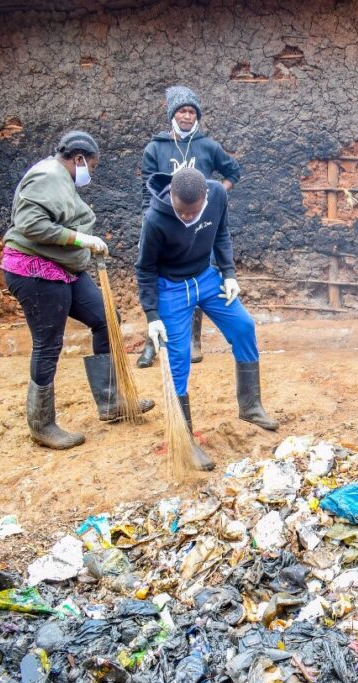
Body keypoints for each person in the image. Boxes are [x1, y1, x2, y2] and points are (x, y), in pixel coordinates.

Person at [1, 130, 153, 450]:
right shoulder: (47, 176)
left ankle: (111, 401)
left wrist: (83, 247)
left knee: (105, 316)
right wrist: (80, 240)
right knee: (48, 343)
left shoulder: (60, 178)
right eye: (92, 167)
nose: (90, 174)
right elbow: (30, 225)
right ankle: (42, 425)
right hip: (35, 270)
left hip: (65, 269)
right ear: (79, 159)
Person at [137, 167, 277, 470]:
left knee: (243, 326)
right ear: (172, 196)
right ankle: (184, 437)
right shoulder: (155, 219)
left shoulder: (217, 196)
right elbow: (145, 269)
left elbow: (222, 234)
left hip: (206, 277)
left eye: (193, 211)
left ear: (205, 198)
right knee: (178, 358)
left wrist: (228, 274)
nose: (187, 218)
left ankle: (250, 405)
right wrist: (152, 315)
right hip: (171, 287)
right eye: (182, 211)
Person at [136, 86, 242, 369]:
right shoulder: (156, 148)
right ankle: (153, 342)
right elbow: (147, 188)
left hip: (199, 227)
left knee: (198, 281)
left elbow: (233, 172)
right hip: (165, 225)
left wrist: (215, 196)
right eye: (182, 111)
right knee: (157, 280)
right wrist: (160, 216)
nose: (186, 116)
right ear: (173, 114)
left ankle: (194, 340)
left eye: (191, 112)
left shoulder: (208, 146)